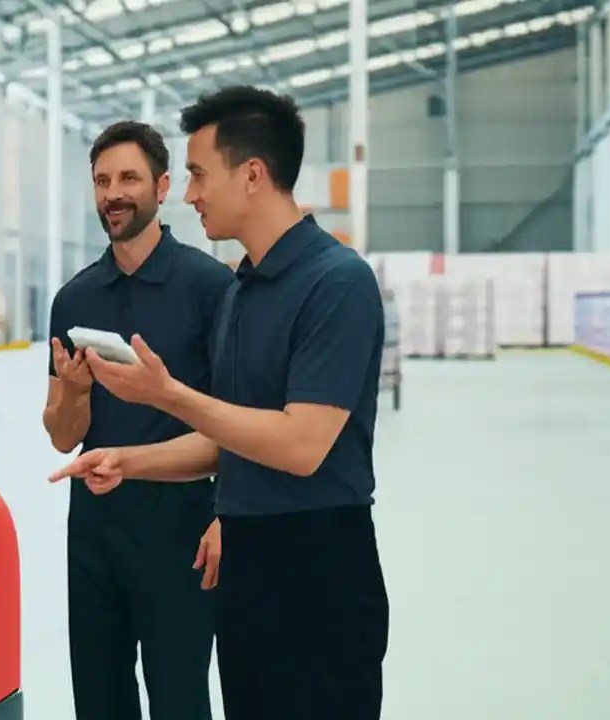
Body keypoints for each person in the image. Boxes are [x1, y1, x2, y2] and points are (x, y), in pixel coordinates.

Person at [49, 86, 390, 719]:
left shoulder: (337, 282)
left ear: (252, 175)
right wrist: (126, 460)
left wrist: (168, 394)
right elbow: (223, 441)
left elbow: (301, 445)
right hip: (246, 565)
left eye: (200, 173)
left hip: (317, 562)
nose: (190, 193)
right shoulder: (242, 290)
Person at [43, 120, 233, 720]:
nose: (113, 193)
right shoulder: (75, 298)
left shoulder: (211, 288)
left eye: (128, 178)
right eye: (102, 181)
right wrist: (73, 394)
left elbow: (237, 423)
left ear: (164, 186)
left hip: (179, 523)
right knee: (99, 699)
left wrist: (227, 516)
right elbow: (62, 435)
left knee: (179, 697)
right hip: (94, 525)